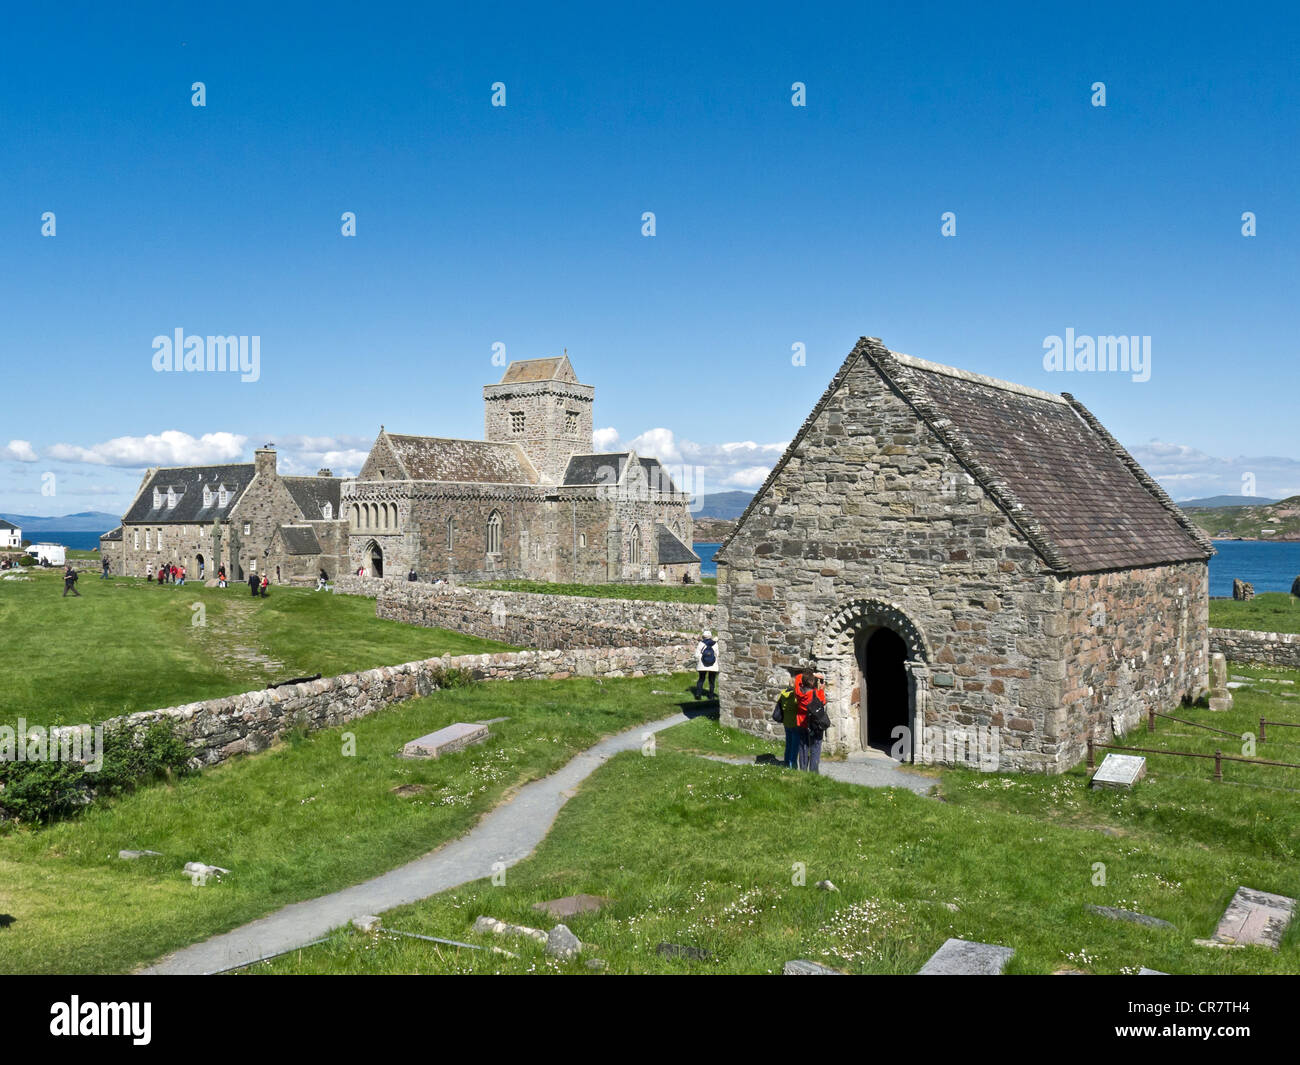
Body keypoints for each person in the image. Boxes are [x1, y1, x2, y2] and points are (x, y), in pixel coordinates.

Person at [794, 668, 828, 774]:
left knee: (803, 747)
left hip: (801, 722)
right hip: (814, 724)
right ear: (813, 683)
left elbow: (798, 677)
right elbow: (823, 702)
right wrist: (822, 688)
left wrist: (811, 675)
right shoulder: (816, 694)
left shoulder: (798, 692)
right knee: (815, 747)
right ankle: (813, 772)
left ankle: (803, 770)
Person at [775, 681, 801, 769]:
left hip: (786, 723)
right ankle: (792, 765)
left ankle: (786, 762)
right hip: (795, 724)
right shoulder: (794, 697)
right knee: (794, 746)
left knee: (789, 744)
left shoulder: (782, 694)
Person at [693, 629, 719, 700]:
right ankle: (711, 695)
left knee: (701, 679)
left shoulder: (701, 643)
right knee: (711, 681)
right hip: (713, 665)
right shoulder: (715, 644)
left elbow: (696, 655)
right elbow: (717, 654)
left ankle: (698, 694)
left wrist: (701, 658)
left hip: (702, 664)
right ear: (710, 636)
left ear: (703, 636)